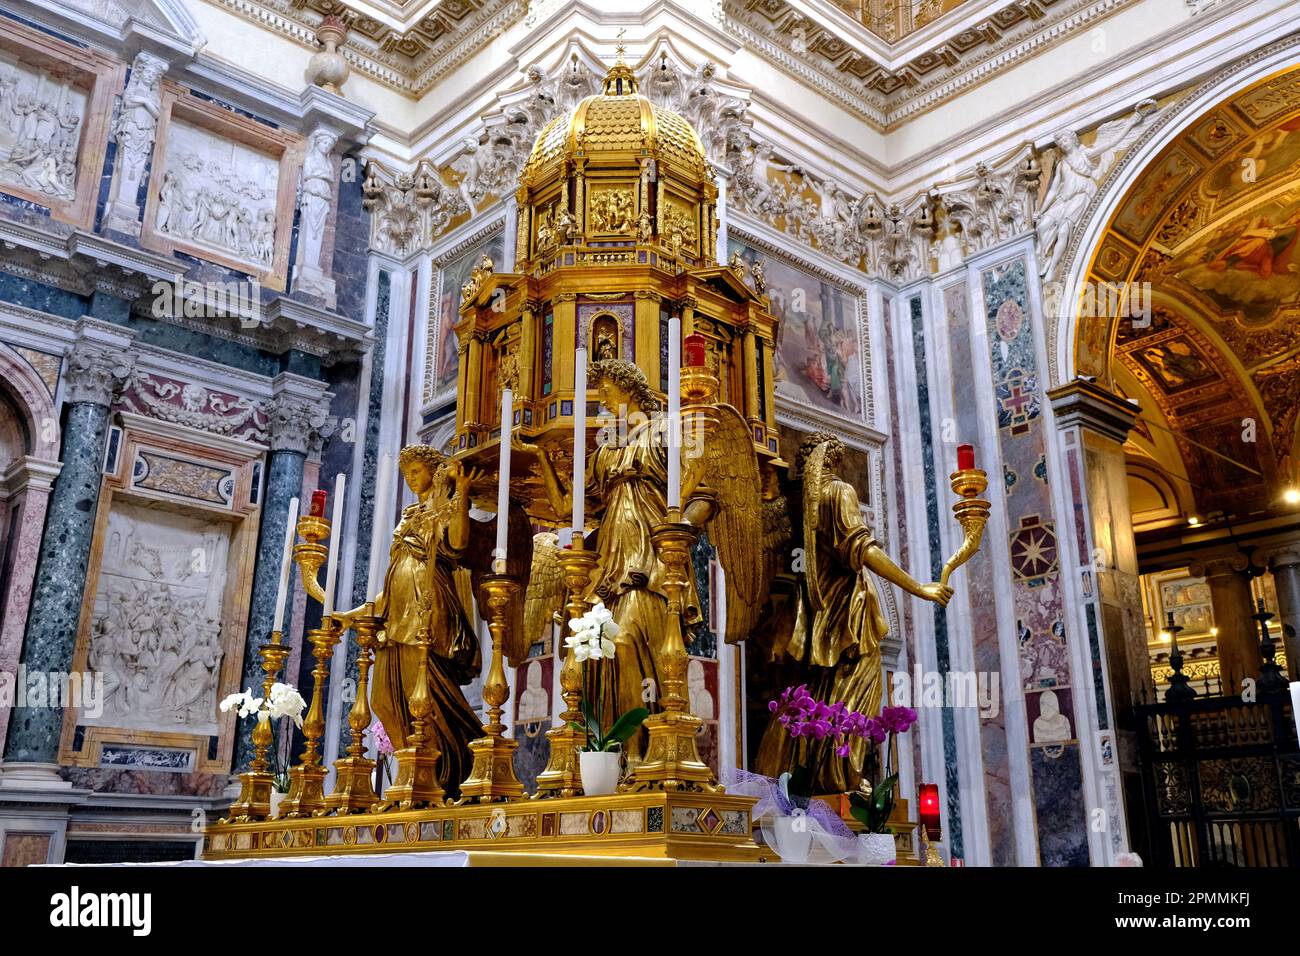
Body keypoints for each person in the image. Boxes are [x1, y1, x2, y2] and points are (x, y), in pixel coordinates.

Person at [513, 359, 701, 760]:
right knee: (591, 651)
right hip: (609, 567)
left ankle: (642, 756)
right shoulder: (606, 451)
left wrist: (679, 532)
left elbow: (703, 494)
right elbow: (568, 507)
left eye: (608, 395)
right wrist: (540, 456)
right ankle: (604, 757)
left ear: (629, 391)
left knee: (626, 639)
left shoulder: (665, 432)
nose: (604, 404)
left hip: (650, 563)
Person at [337, 445, 485, 797]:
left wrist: (462, 494)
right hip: (394, 617)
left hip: (428, 612)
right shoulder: (408, 515)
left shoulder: (447, 508)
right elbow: (389, 582)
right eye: (406, 474)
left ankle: (441, 775)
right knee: (383, 700)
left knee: (430, 701)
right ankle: (413, 769)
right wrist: (351, 615)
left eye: (415, 471)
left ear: (434, 472)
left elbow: (460, 544)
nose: (409, 479)